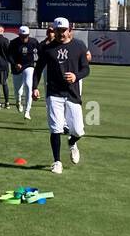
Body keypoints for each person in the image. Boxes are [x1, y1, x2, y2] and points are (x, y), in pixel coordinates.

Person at [32, 17, 90, 174]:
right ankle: (57, 162)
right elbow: (38, 70)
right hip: (54, 93)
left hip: (72, 93)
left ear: (69, 30)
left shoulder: (79, 46)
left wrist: (76, 76)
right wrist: (34, 88)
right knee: (55, 128)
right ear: (54, 31)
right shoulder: (47, 49)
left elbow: (86, 69)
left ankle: (72, 142)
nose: (60, 33)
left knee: (78, 131)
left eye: (63, 30)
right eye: (57, 30)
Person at [7, 25, 40, 120]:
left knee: (29, 86)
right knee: (18, 92)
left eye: (26, 36)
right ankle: (18, 102)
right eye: (22, 36)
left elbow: (40, 51)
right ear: (19, 35)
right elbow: (9, 56)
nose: (24, 38)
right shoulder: (13, 43)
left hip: (28, 66)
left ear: (28, 35)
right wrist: (15, 64)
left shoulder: (33, 41)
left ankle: (27, 111)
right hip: (16, 68)